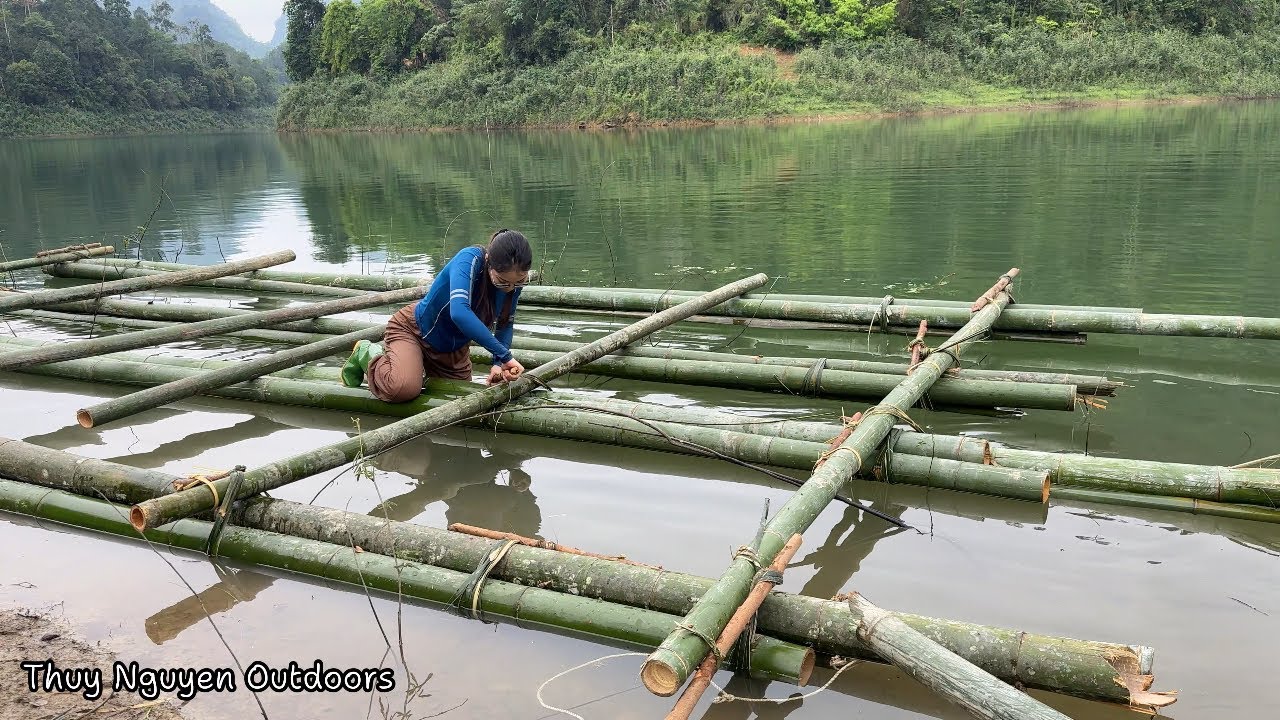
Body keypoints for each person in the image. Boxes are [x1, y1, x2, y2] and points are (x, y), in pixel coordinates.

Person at [341, 229, 532, 402]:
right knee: (402, 389)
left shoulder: (513, 285)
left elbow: (505, 324)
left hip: (452, 349)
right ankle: (366, 353)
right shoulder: (470, 259)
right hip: (414, 331)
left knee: (459, 400)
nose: (510, 288)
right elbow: (459, 312)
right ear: (489, 260)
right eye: (502, 282)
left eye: (519, 282)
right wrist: (505, 355)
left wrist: (498, 364)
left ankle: (412, 366)